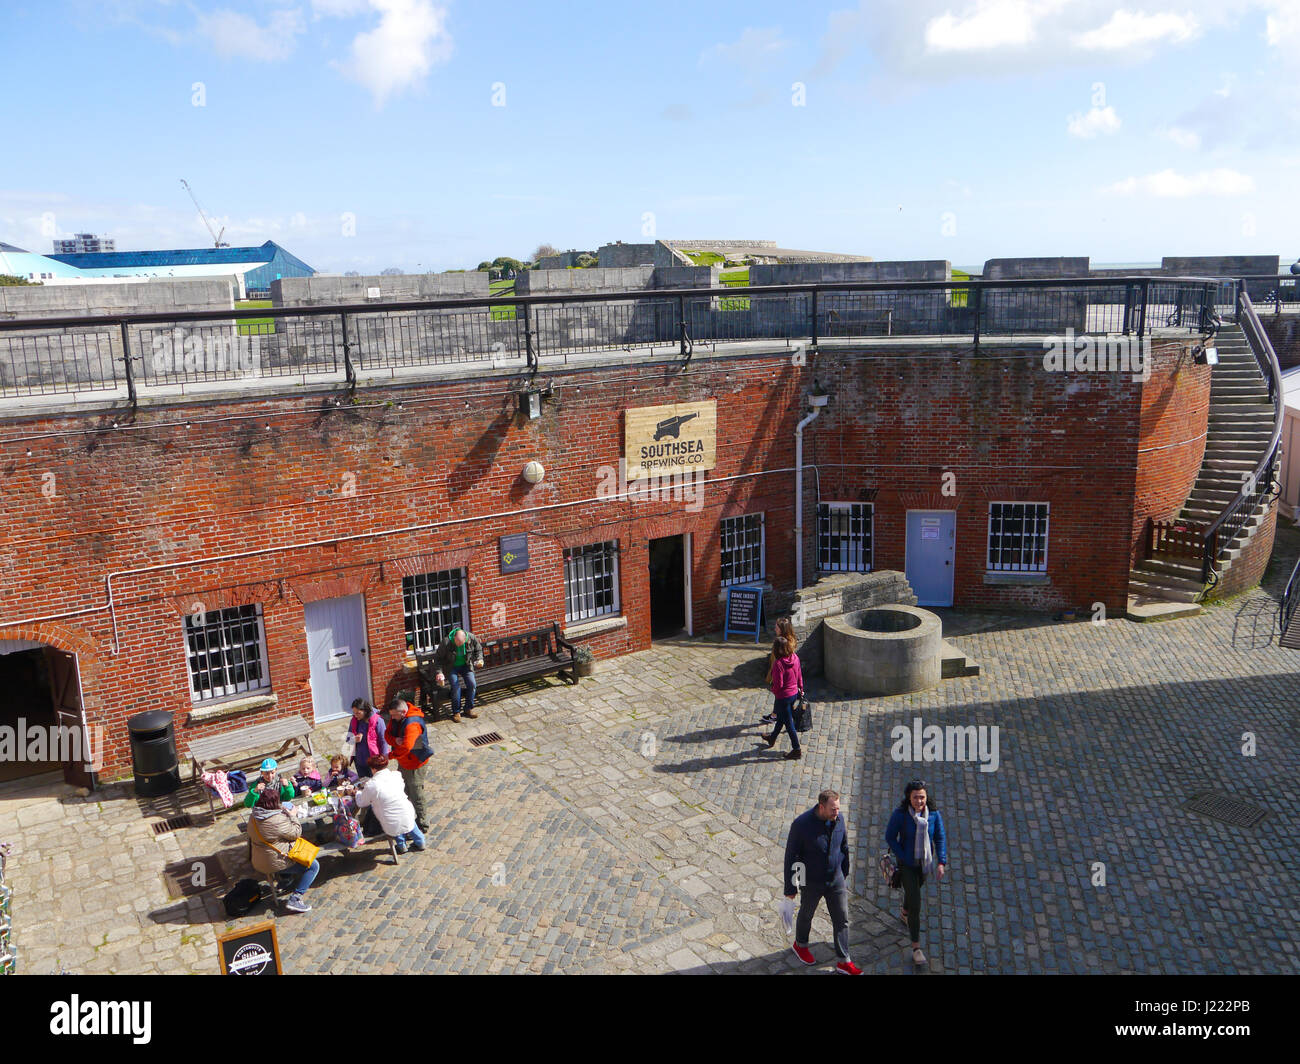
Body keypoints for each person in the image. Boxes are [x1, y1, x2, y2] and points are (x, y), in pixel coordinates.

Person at [783, 789, 859, 974]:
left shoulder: (838, 819)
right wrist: (790, 886)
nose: (837, 813)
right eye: (833, 809)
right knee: (807, 914)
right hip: (812, 880)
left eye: (838, 809)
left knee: (842, 919)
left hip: (836, 879)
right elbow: (790, 857)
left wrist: (845, 871)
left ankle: (844, 960)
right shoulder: (801, 825)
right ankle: (800, 944)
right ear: (821, 806)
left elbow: (844, 846)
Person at [884, 778, 948, 966]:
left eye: (922, 797)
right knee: (916, 904)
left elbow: (940, 837)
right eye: (915, 798)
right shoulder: (901, 815)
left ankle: (904, 912)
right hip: (907, 865)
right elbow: (890, 836)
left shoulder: (934, 814)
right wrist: (902, 856)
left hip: (924, 865)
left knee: (913, 894)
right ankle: (916, 947)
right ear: (908, 798)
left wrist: (941, 862)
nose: (919, 801)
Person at [246, 789, 319, 914]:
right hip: (274, 863)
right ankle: (296, 898)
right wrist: (292, 815)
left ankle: (285, 879)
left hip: (258, 860)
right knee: (313, 866)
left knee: (280, 847)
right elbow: (295, 833)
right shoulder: (276, 820)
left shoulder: (253, 816)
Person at [354, 755, 425, 854]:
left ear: (373, 769)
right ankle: (421, 842)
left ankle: (402, 846)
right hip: (406, 810)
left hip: (389, 818)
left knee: (395, 825)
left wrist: (357, 793)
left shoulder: (372, 785)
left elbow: (362, 802)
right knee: (410, 823)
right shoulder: (396, 775)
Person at [387, 698, 433, 834]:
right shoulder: (397, 717)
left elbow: (407, 747)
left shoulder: (412, 724)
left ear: (402, 712)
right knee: (404, 792)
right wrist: (395, 740)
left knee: (416, 793)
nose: (392, 718)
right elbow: (387, 734)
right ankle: (406, 819)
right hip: (404, 762)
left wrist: (390, 756)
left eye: (394, 715)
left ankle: (422, 824)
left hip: (415, 763)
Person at [759, 634, 803, 760]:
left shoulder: (779, 664)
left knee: (789, 724)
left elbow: (779, 684)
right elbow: (799, 674)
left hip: (783, 697)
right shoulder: (795, 657)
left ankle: (796, 749)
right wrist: (801, 688)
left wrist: (773, 690)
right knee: (782, 718)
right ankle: (772, 738)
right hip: (794, 694)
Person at [432, 626, 485, 722]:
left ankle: (468, 708)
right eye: (457, 643)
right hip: (451, 667)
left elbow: (479, 649)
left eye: (461, 644)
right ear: (454, 638)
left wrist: (479, 659)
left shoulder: (471, 638)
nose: (459, 645)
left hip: (466, 665)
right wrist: (439, 673)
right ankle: (456, 712)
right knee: (456, 687)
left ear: (465, 639)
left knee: (472, 684)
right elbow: (438, 659)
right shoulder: (446, 642)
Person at [761, 617, 798, 724]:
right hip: (778, 672)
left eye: (776, 627)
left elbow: (783, 660)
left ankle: (778, 716)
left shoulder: (785, 643)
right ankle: (776, 715)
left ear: (782, 629)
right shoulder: (782, 640)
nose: (774, 629)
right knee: (781, 697)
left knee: (781, 696)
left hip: (783, 675)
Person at [348, 698, 388, 778]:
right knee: (364, 784)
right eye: (354, 713)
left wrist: (383, 759)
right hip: (359, 761)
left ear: (365, 710)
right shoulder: (354, 721)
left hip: (374, 762)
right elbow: (348, 739)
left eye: (358, 713)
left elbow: (383, 741)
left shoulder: (378, 721)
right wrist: (354, 739)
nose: (355, 715)